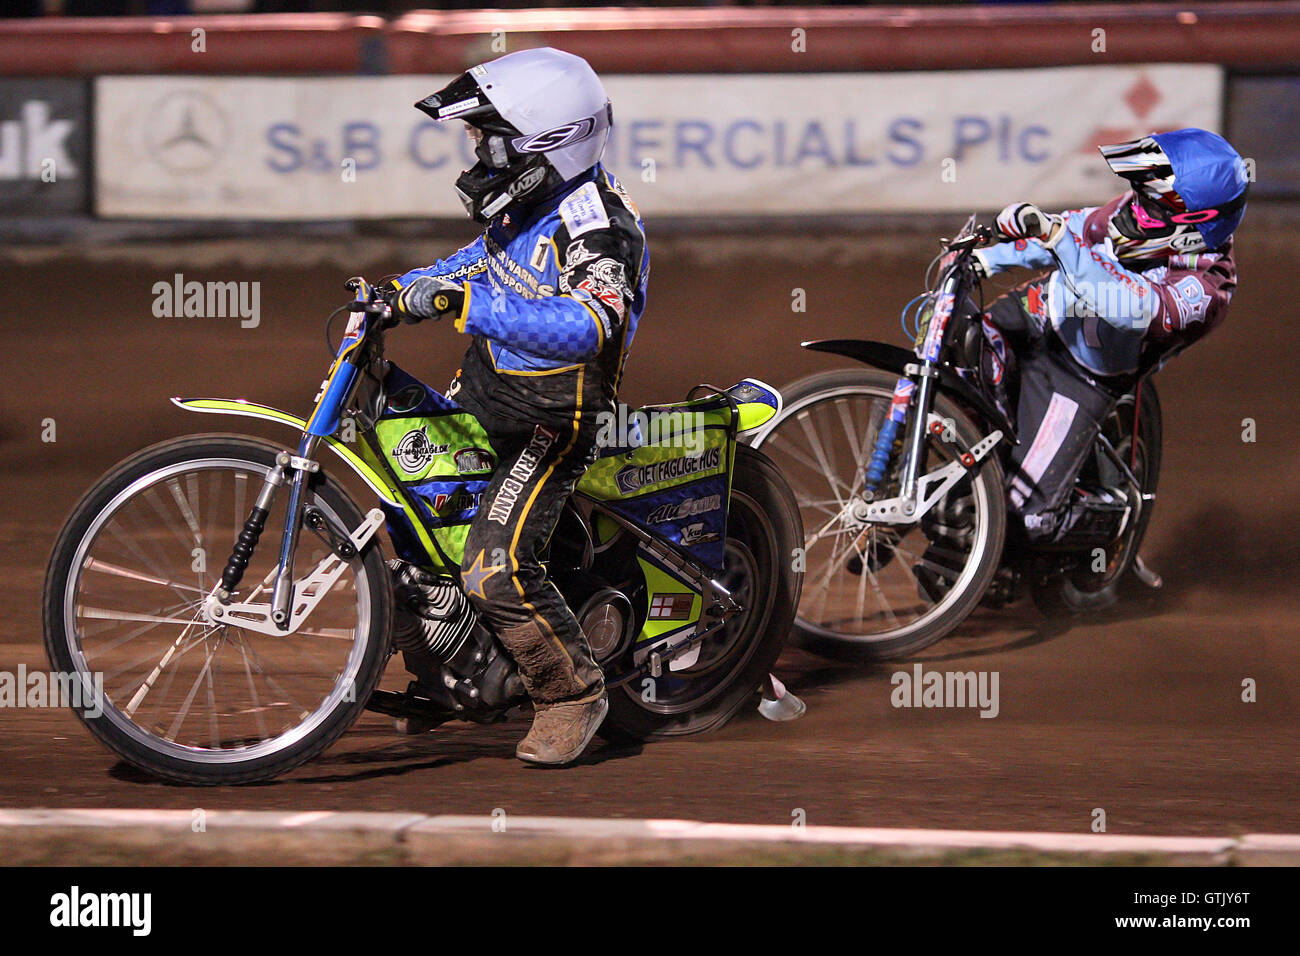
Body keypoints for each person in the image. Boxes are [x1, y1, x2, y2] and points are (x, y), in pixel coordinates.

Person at [380, 48, 649, 766]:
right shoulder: (525, 206)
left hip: (551, 423)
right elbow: (475, 262)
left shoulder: (599, 227)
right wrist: (401, 289)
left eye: (486, 141)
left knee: (492, 566)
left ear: (544, 145)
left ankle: (570, 693)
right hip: (486, 399)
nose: (476, 157)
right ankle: (453, 675)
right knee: (414, 523)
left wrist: (470, 304)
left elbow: (595, 322)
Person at [970, 128, 1247, 547]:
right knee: (960, 342)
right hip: (1036, 313)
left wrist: (1061, 242)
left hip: (1082, 377)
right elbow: (1079, 228)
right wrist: (986, 257)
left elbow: (1128, 309)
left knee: (1022, 521)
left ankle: (1090, 528)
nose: (1133, 206)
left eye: (1149, 201)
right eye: (1137, 190)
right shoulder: (1138, 214)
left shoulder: (1207, 287)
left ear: (1194, 221)